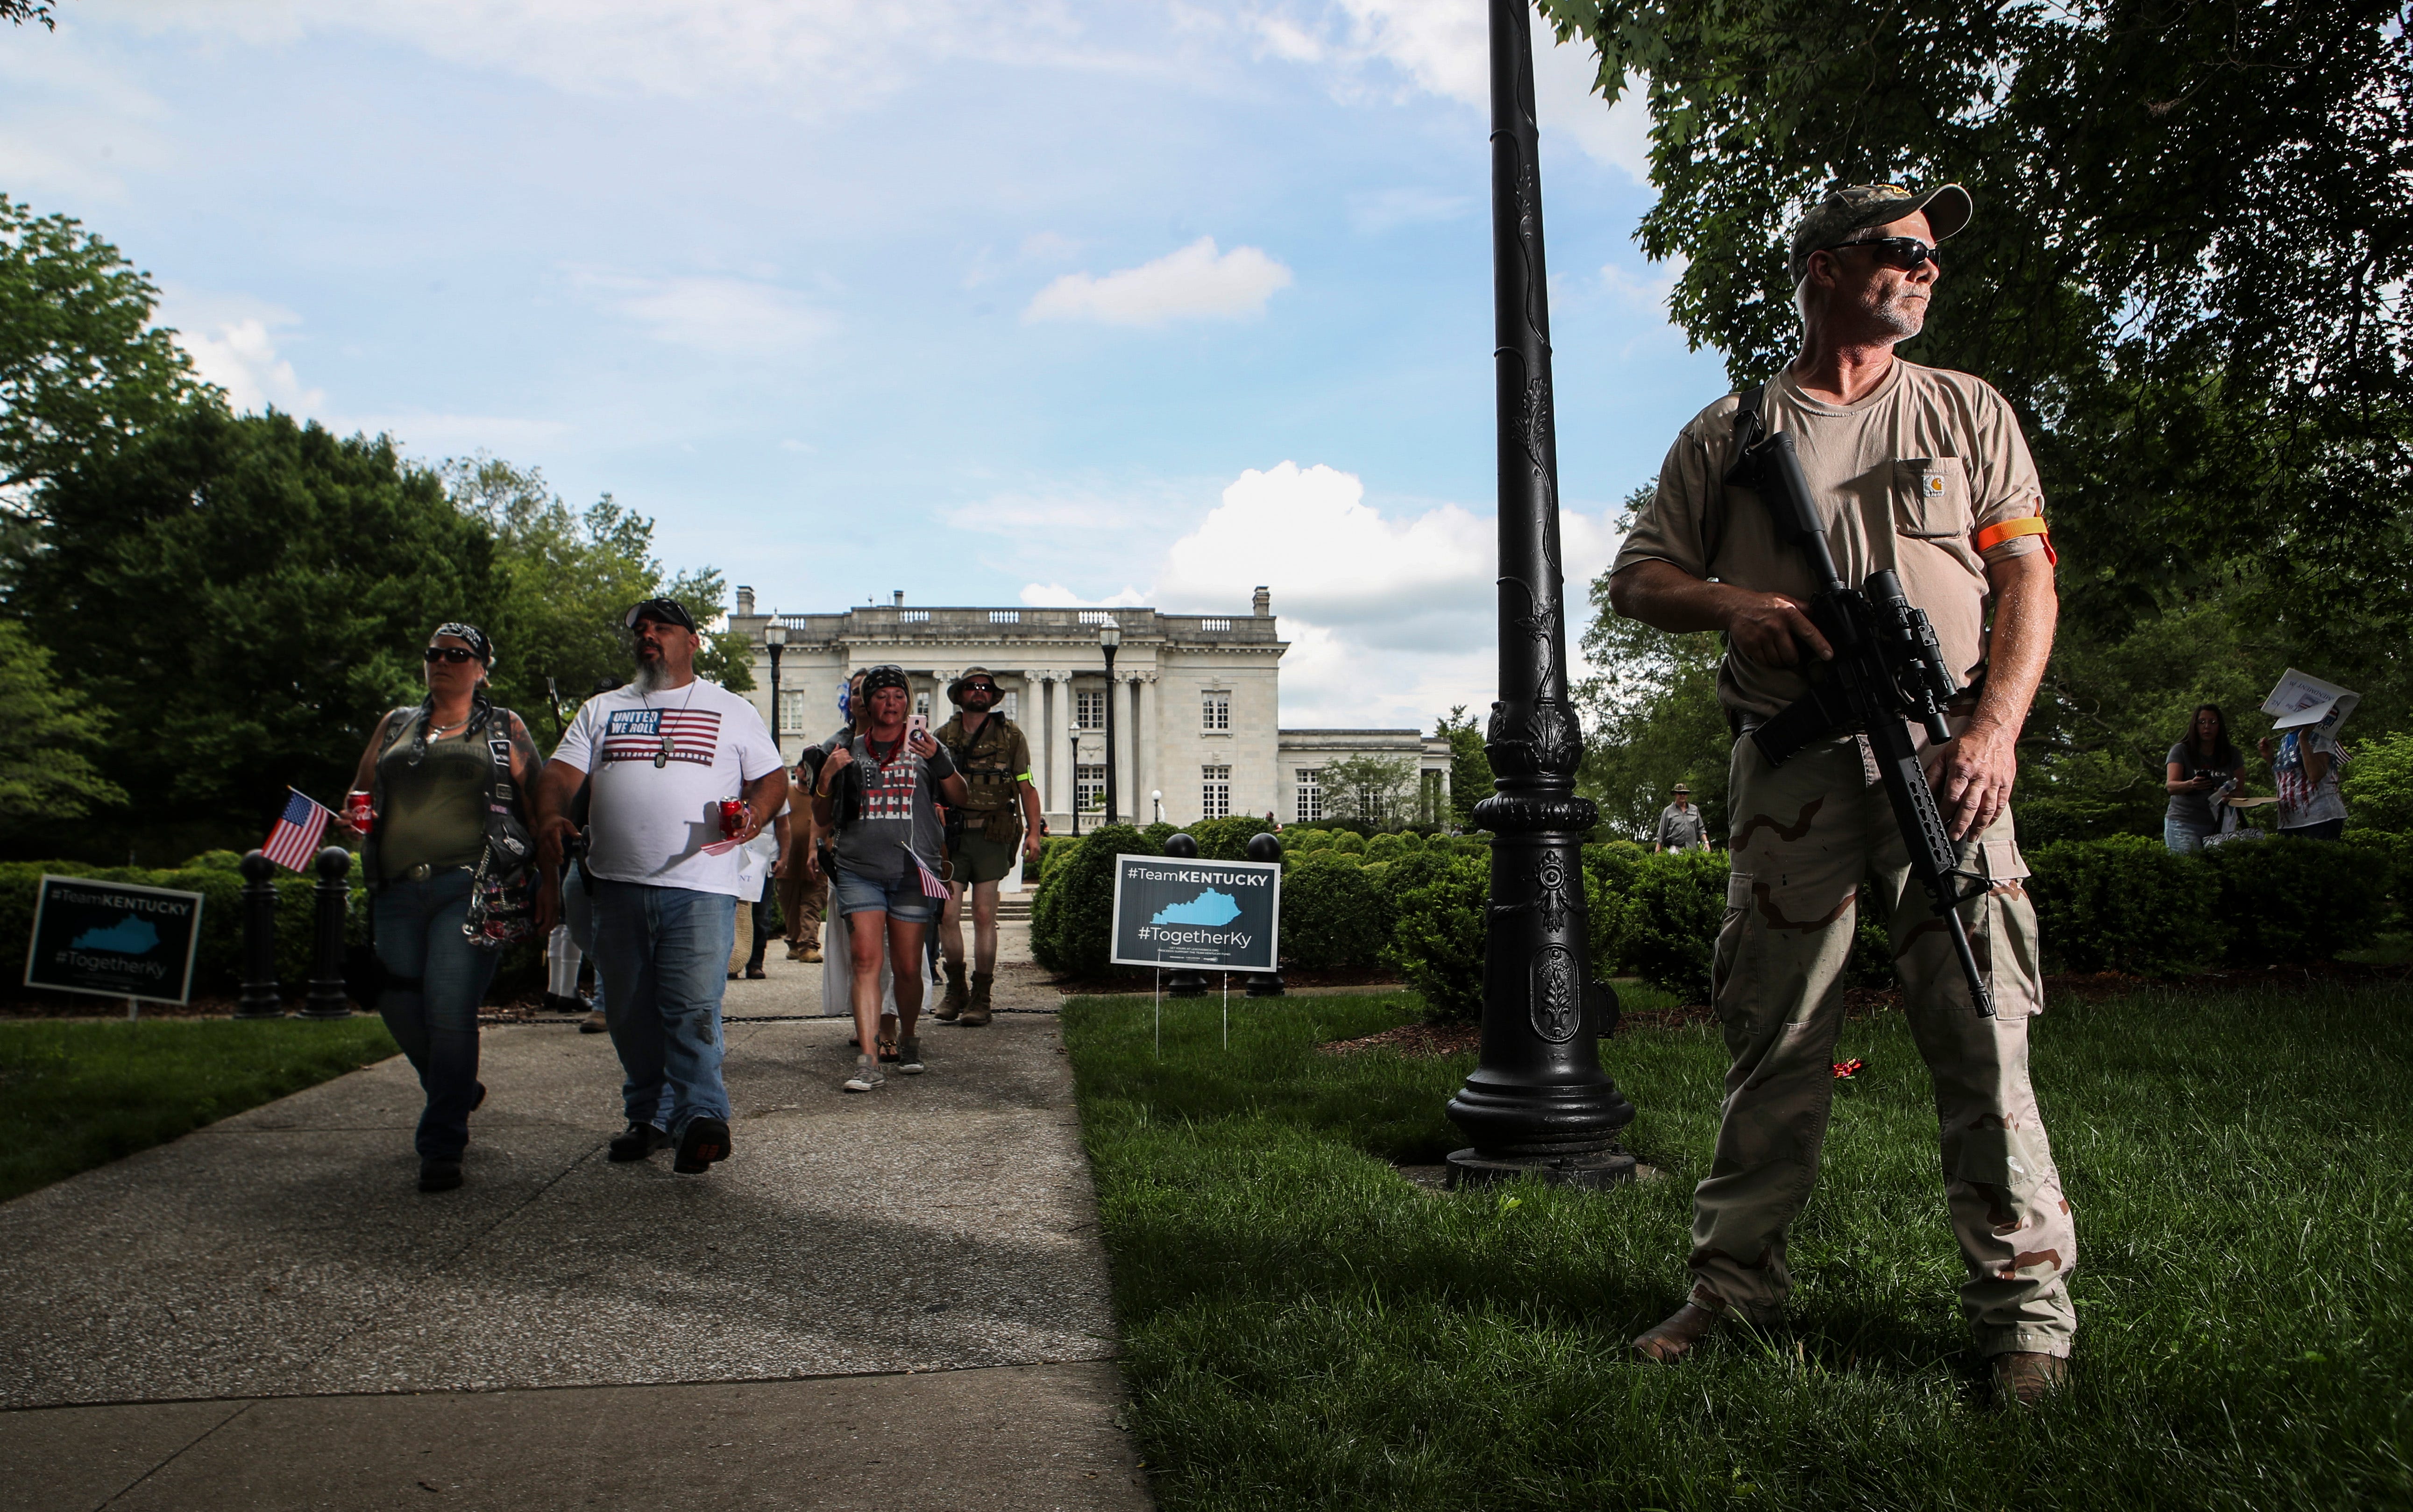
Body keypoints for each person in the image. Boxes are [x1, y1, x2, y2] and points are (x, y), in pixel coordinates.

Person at [1606, 184, 2076, 1406]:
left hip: (1946, 763)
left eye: (1929, 257)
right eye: (1896, 251)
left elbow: (2025, 581)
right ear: (1821, 267)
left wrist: (1994, 730)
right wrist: (1737, 607)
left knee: (1982, 1027)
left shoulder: (1965, 411)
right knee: (1774, 1039)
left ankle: (2023, 1319)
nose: (1921, 270)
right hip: (1792, 773)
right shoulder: (1728, 432)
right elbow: (1640, 577)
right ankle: (1731, 1289)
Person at [533, 598, 787, 1176]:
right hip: (617, 886)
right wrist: (550, 816)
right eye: (642, 630)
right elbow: (559, 775)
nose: (649, 637)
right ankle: (648, 1116)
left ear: (692, 642)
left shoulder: (731, 710)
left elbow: (773, 780)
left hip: (701, 886)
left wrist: (754, 813)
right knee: (628, 1012)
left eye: (663, 629)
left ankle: (701, 1116)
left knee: (691, 1006)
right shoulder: (602, 710)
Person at [347, 622, 544, 1194]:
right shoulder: (395, 725)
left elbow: (536, 803)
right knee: (395, 999)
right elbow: (360, 790)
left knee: (449, 1006)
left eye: (458, 655)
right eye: (435, 653)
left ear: (482, 668)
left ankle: (441, 1144)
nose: (443, 662)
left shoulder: (504, 727)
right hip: (396, 887)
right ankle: (453, 1085)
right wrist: (354, 813)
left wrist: (549, 880)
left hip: (471, 885)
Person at [810, 665, 968, 1091]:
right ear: (866, 702)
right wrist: (827, 777)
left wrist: (939, 758)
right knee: (865, 960)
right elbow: (822, 816)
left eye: (899, 696)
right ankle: (868, 1059)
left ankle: (910, 1037)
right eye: (881, 696)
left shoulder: (925, 748)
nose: (890, 703)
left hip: (913, 873)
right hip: (859, 870)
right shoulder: (846, 748)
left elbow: (961, 796)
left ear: (908, 702)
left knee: (906, 966)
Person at [932, 668, 1042, 1028]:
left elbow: (1026, 785)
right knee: (947, 915)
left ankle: (982, 995)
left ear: (993, 696)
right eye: (971, 687)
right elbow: (927, 784)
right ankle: (956, 989)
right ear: (960, 694)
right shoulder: (943, 737)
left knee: (983, 915)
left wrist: (1034, 832)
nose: (978, 692)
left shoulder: (1011, 737)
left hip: (993, 835)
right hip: (953, 838)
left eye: (984, 688)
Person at [2165, 705, 2247, 852]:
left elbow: (2240, 792)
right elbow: (2171, 786)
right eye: (2202, 722)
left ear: (2220, 726)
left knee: (2216, 872)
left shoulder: (2232, 754)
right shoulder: (2181, 750)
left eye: (2213, 722)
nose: (2207, 727)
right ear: (2194, 725)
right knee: (2192, 870)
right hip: (2184, 823)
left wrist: (2230, 796)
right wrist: (2192, 784)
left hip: (2220, 826)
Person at [2260, 717, 2349, 840]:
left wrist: (2303, 739)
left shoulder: (2319, 735)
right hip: (2289, 821)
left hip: (2319, 818)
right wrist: (2270, 759)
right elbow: (2290, 777)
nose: (2275, 715)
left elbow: (2315, 775)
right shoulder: (2285, 739)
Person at [1653, 783, 1710, 853]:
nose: (1682, 795)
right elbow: (1662, 832)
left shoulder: (1695, 810)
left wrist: (1706, 843)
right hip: (1674, 850)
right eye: (1680, 793)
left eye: (1685, 793)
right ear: (1675, 794)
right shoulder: (1668, 811)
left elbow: (1701, 829)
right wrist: (1658, 849)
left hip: (1692, 851)